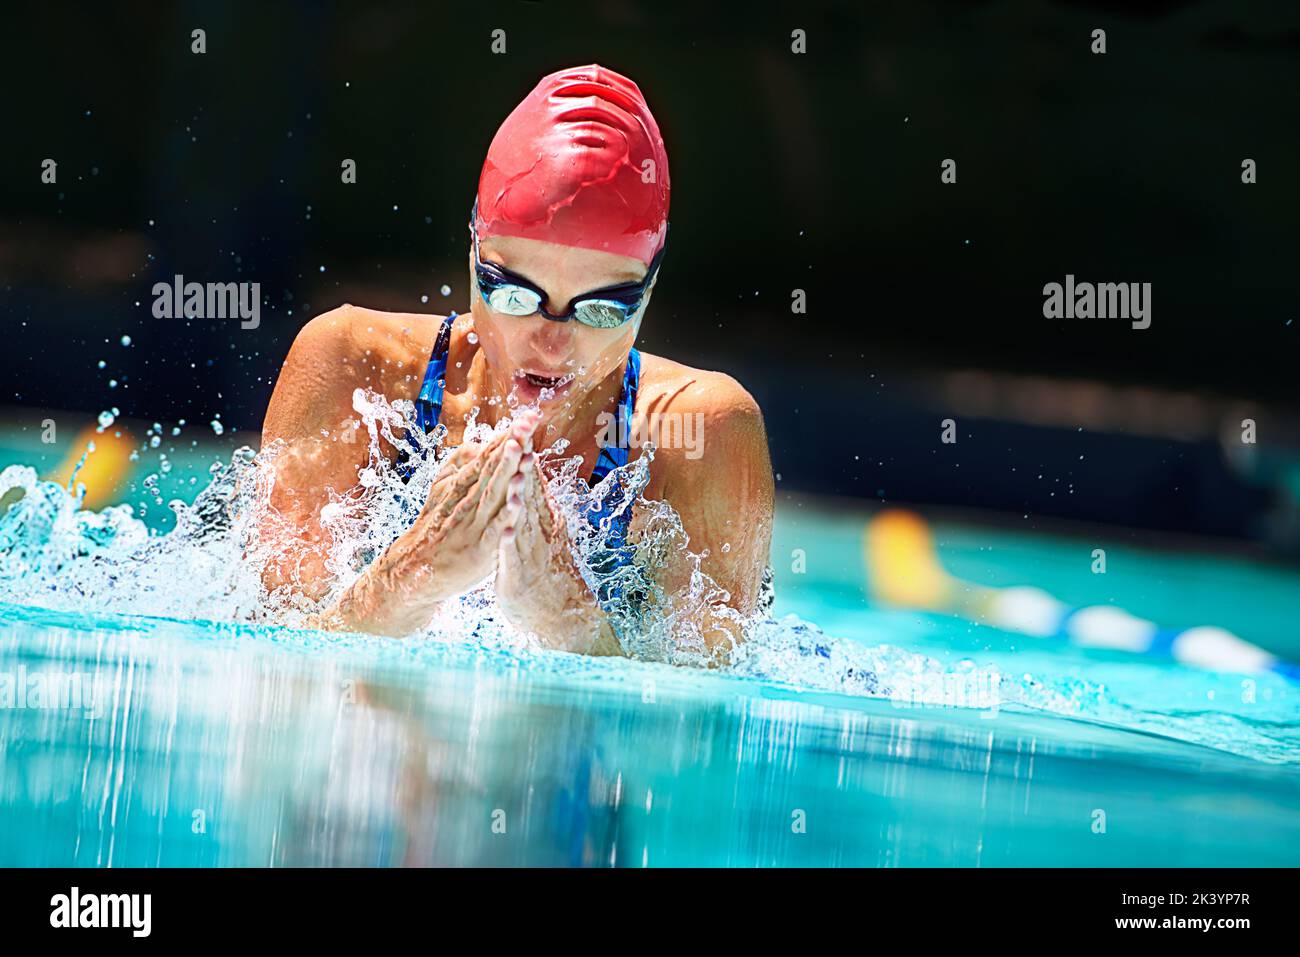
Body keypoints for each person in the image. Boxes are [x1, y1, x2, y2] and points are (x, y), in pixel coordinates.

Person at [259, 64, 774, 657]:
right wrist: (406, 579)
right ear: (472, 252)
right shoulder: (355, 370)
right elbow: (263, 670)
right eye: (515, 295)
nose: (552, 342)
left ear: (651, 289)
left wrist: (563, 613)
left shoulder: (702, 434)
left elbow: (706, 725)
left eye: (602, 309)